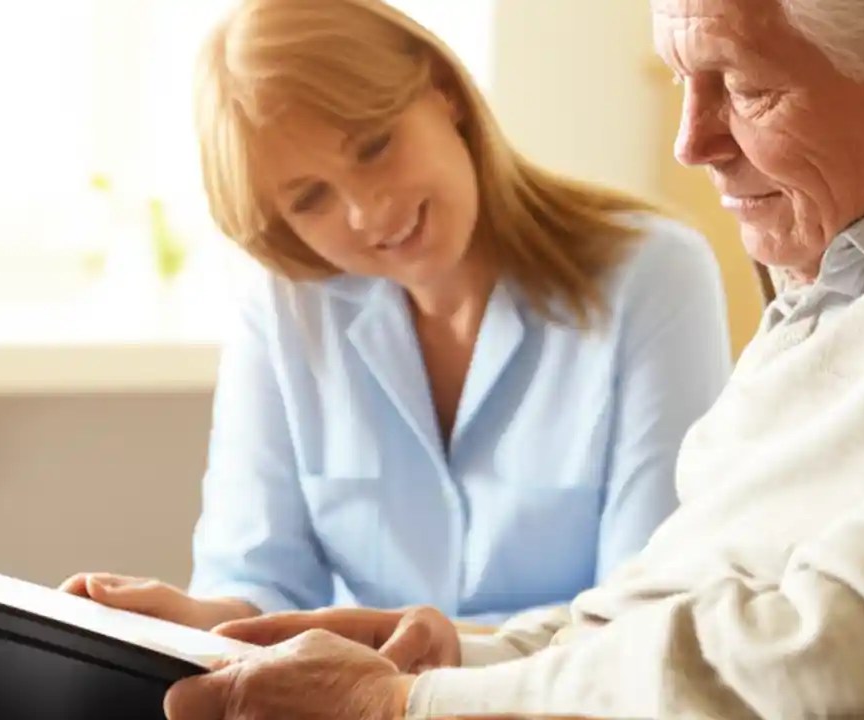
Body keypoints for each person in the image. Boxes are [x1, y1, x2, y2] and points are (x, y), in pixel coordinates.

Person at [157, 0, 864, 717]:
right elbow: (661, 609)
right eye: (678, 82)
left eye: (737, 85)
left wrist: (413, 706)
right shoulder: (846, 291)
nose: (689, 146)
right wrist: (457, 652)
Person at [60, 0, 731, 630]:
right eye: (310, 198)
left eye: (374, 146)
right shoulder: (285, 310)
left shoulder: (654, 275)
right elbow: (258, 580)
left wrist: (408, 660)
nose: (368, 212)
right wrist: (192, 625)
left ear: (441, 90)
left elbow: (644, 610)